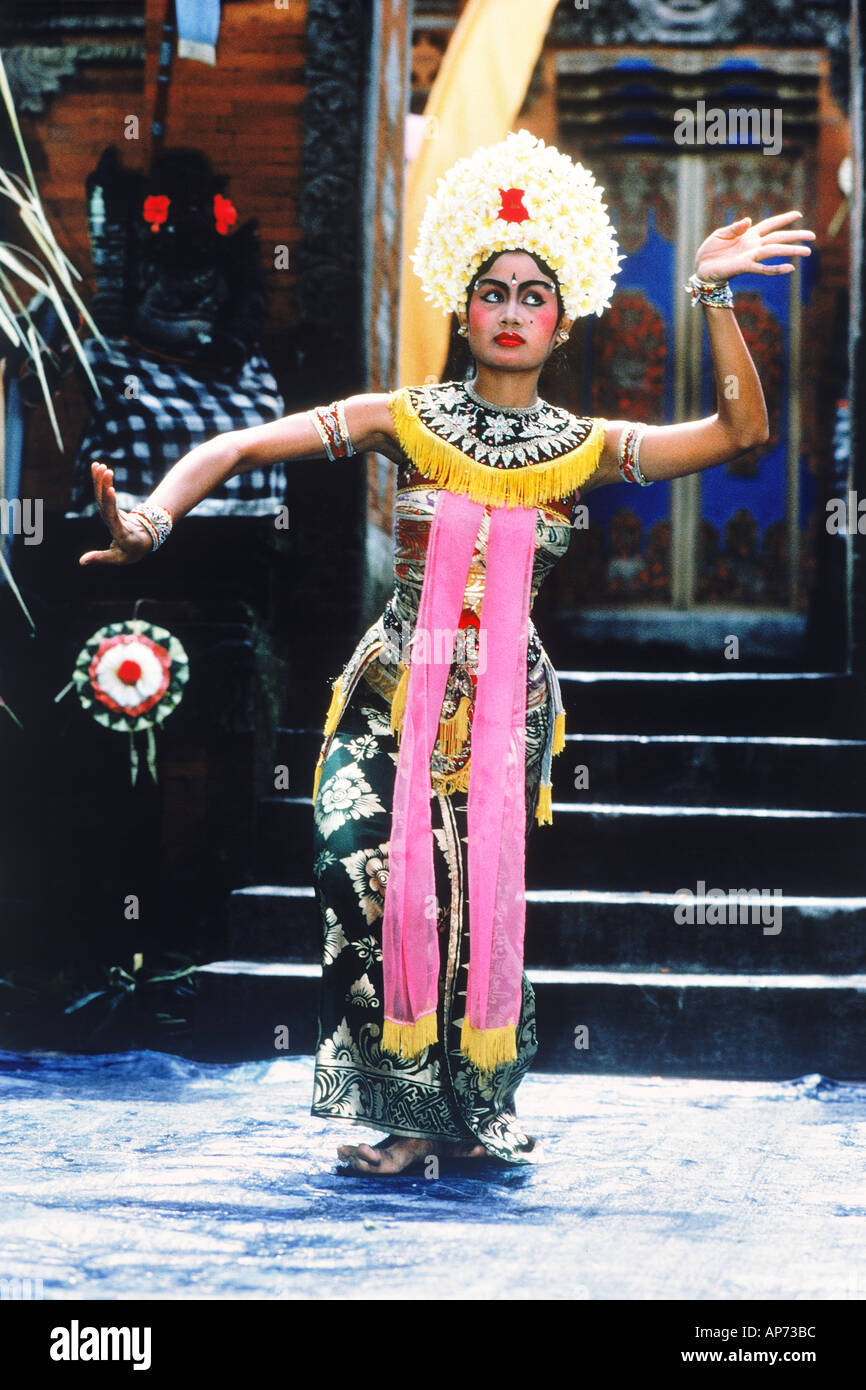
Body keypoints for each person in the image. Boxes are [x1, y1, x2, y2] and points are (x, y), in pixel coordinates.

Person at [79, 130, 813, 1175]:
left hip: (499, 709)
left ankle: (450, 1117)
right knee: (356, 878)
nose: (511, 311)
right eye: (492, 291)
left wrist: (709, 294)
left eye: (532, 295)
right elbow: (240, 444)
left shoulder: (586, 446)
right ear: (462, 312)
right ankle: (401, 1106)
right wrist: (153, 518)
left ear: (559, 323)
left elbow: (739, 436)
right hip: (386, 696)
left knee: (469, 915)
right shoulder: (405, 419)